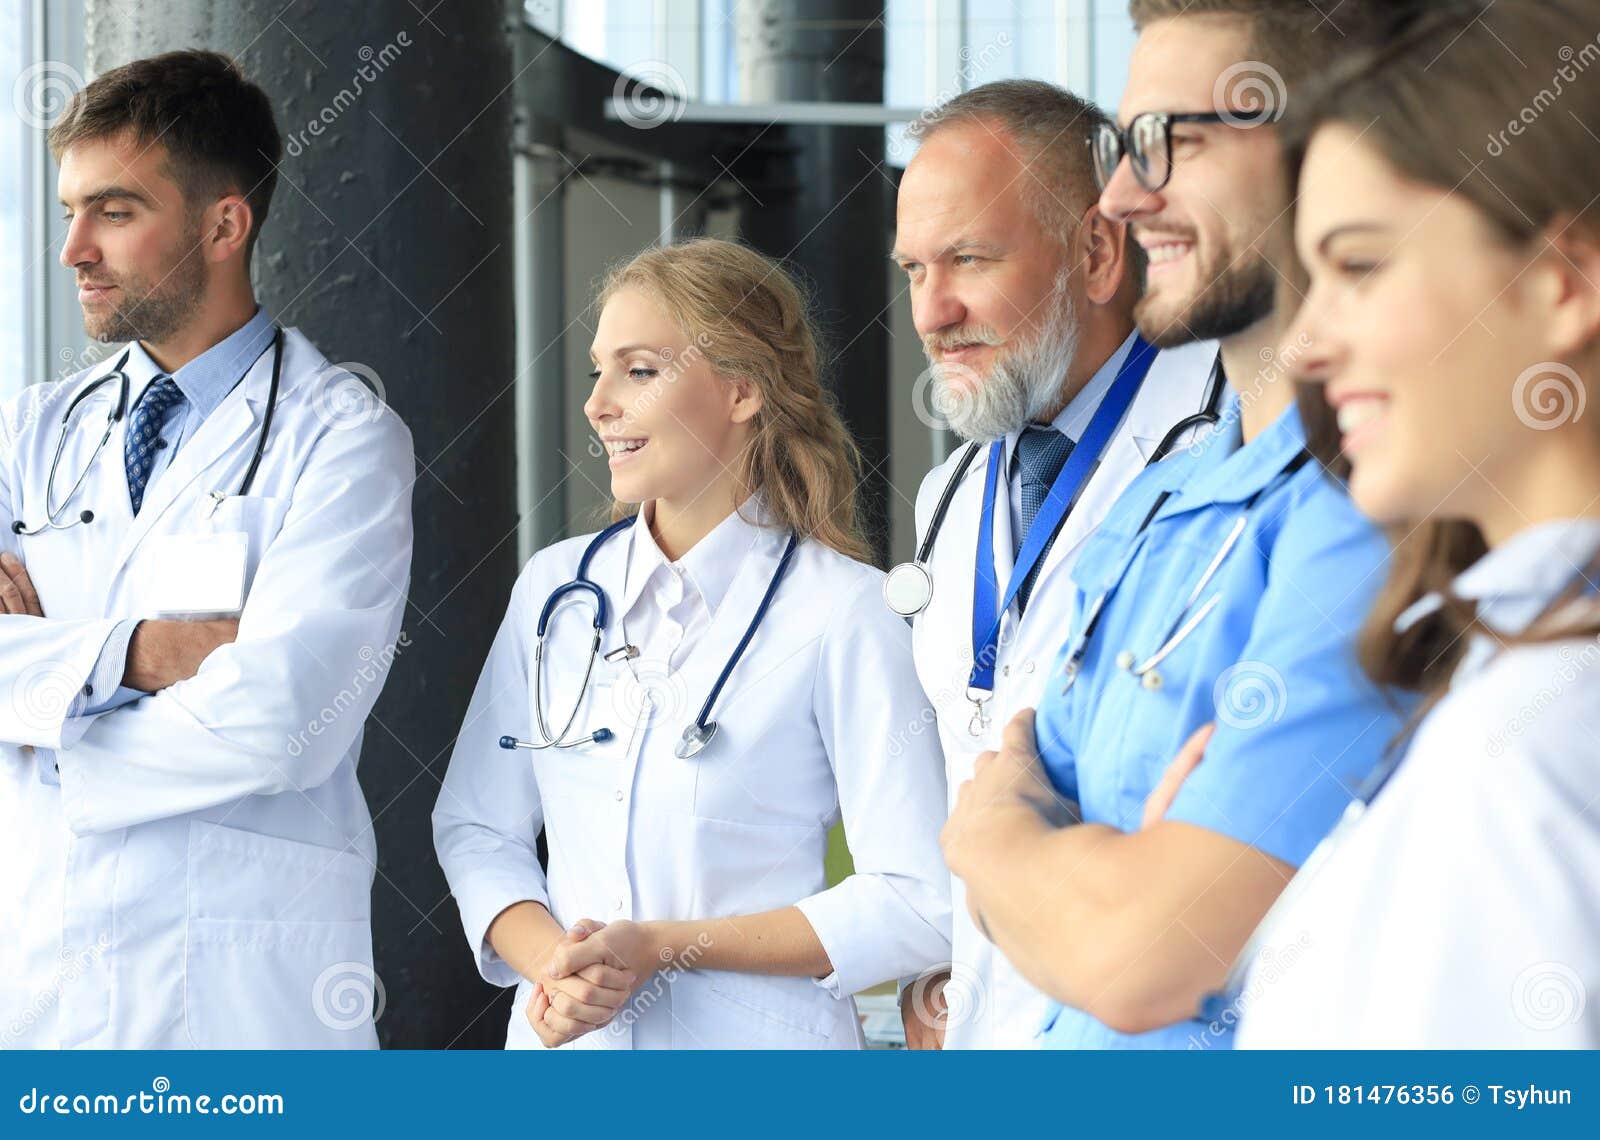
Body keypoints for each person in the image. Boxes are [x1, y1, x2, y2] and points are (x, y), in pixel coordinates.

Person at [940, 0, 1415, 1049]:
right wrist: (1072, 874)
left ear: (1328, 149)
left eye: (1171, 141)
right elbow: (1014, 905)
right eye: (1121, 147)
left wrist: (1000, 839)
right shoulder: (1159, 506)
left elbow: (1136, 956)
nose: (1119, 195)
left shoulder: (1378, 512)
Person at [433, 237, 950, 1050]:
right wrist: (555, 966)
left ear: (742, 390)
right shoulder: (555, 591)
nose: (597, 403)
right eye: (598, 370)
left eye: (639, 371)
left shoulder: (847, 612)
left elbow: (919, 898)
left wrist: (661, 947)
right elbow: (476, 825)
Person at [0, 51, 414, 1048]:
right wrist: (145, 652)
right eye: (69, 212)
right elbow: (234, 697)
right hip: (43, 992)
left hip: (244, 1014)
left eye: (114, 212)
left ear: (224, 224)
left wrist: (42, 713)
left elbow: (286, 720)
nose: (73, 252)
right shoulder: (31, 433)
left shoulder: (341, 438)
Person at [1233, 0, 1600, 1048]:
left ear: (1560, 285)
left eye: (1356, 267)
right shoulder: (1511, 694)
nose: (1303, 345)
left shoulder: (1534, 741)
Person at [891, 78, 1221, 1049]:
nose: (931, 310)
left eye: (967, 259)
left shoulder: (1221, 450)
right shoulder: (946, 499)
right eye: (911, 269)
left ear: (1096, 251)